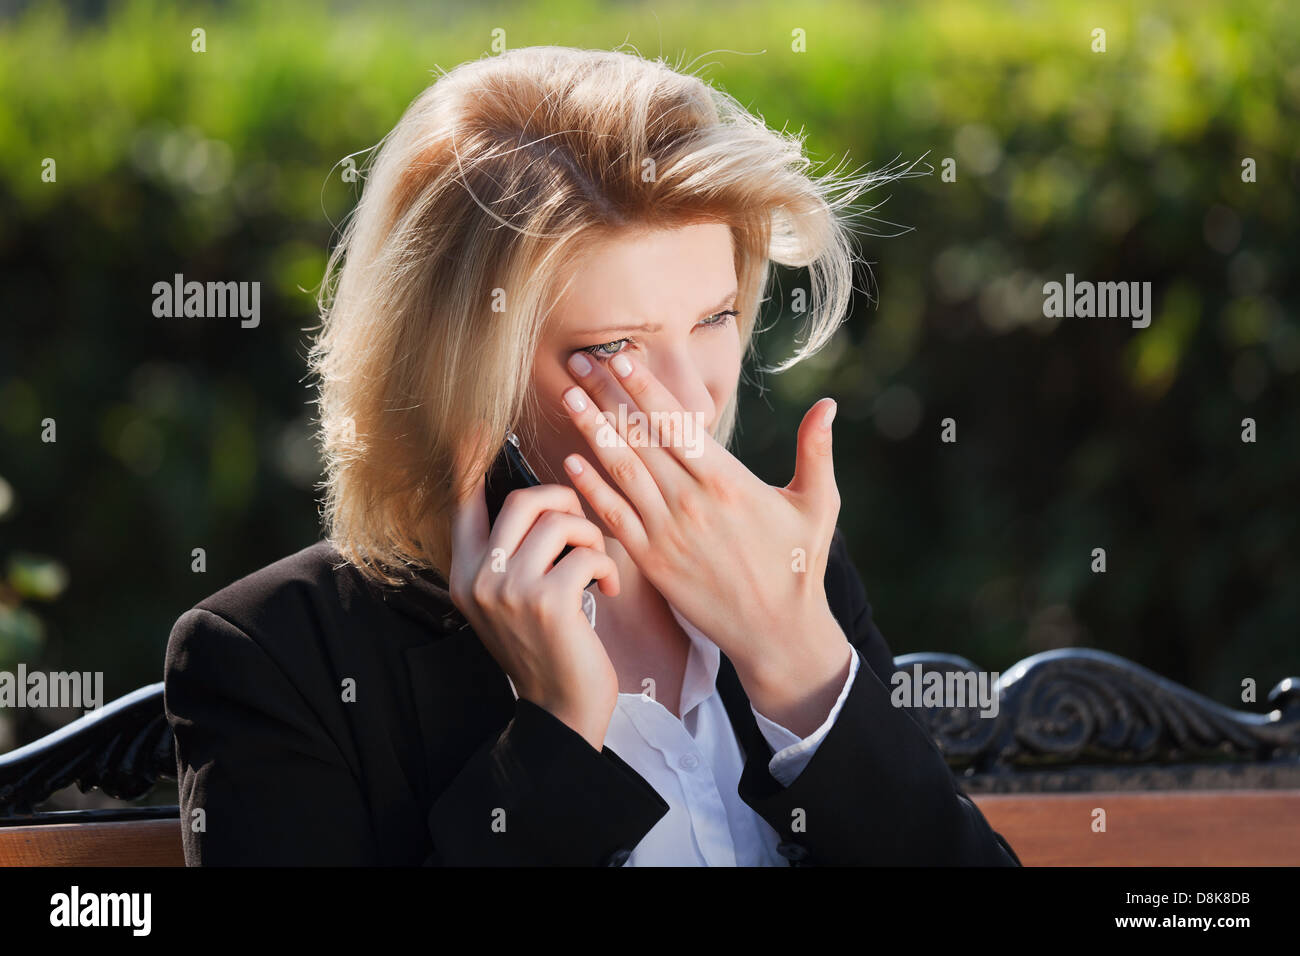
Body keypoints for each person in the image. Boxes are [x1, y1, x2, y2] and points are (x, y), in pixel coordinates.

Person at [164, 45, 1021, 866]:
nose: (690, 402)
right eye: (614, 346)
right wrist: (556, 735)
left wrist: (799, 665)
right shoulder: (276, 655)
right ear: (459, 369)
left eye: (715, 318)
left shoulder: (791, 569)